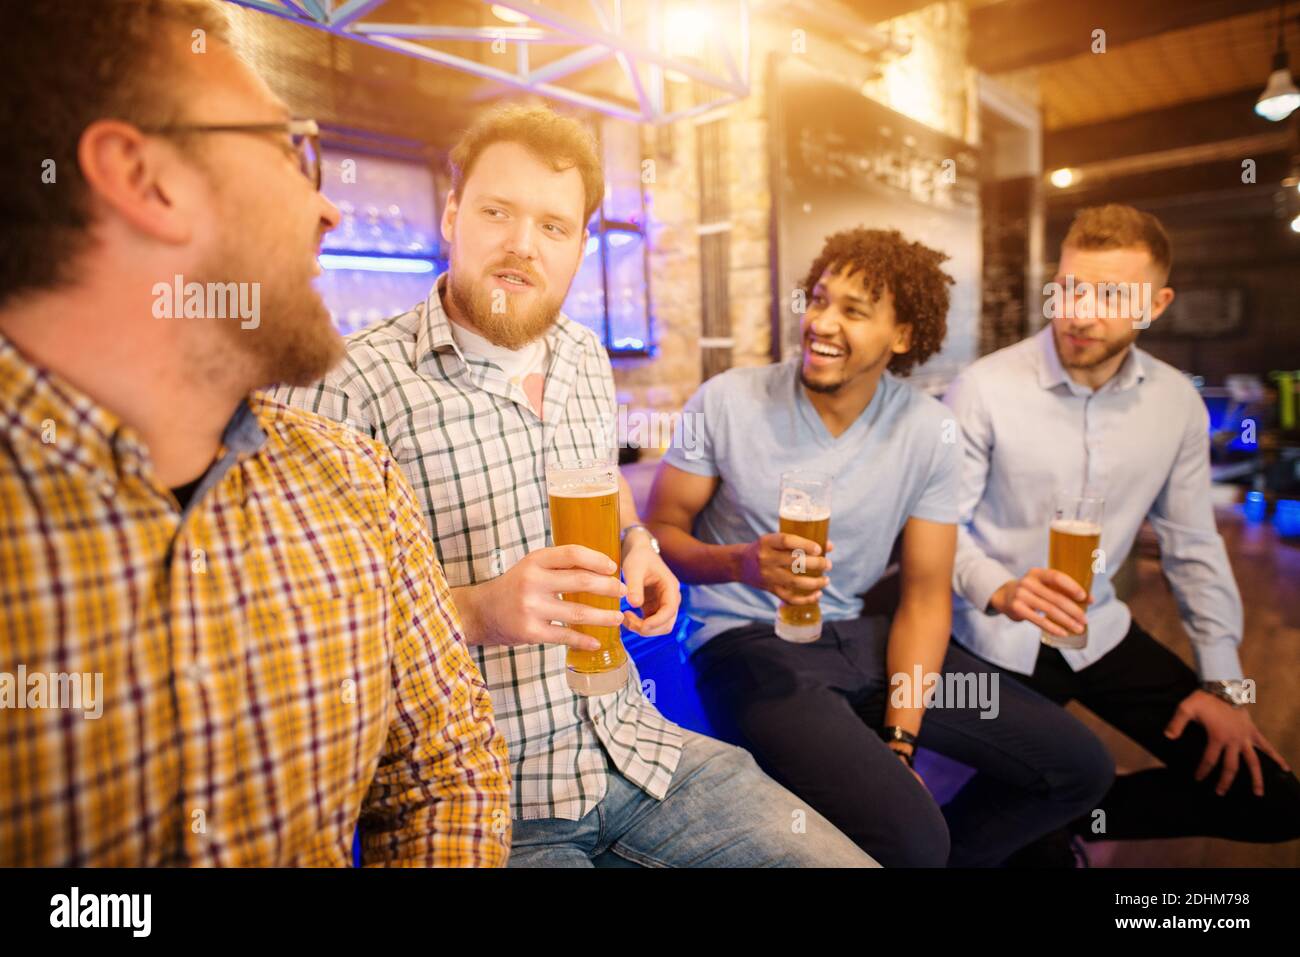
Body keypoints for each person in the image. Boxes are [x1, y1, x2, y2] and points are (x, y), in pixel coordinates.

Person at [276, 104, 874, 867]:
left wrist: (640, 543)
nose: (523, 245)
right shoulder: (346, 384)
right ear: (453, 213)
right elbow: (306, 629)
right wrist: (472, 612)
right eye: (498, 212)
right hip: (486, 798)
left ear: (581, 245)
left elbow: (609, 493)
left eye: (554, 226)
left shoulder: (586, 357)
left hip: (639, 748)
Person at [0, 0, 510, 867]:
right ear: (146, 178)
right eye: (287, 151)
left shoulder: (352, 482)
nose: (330, 210)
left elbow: (446, 776)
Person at [646, 228, 1115, 867]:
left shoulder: (929, 431)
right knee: (913, 839)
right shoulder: (727, 399)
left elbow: (924, 596)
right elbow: (659, 538)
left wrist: (900, 742)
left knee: (1080, 768)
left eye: (852, 310)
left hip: (864, 638)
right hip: (745, 644)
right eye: (818, 300)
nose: (820, 323)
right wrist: (743, 564)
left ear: (902, 335)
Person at [943, 203, 1300, 860]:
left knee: (1271, 799)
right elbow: (938, 531)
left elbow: (1193, 545)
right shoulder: (983, 389)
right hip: (993, 639)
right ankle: (1046, 822)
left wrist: (1222, 683)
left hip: (1099, 632)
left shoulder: (1175, 403)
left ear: (1156, 304)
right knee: (1025, 857)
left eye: (1111, 295)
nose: (1079, 312)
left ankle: (1070, 813)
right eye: (1071, 287)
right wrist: (1001, 587)